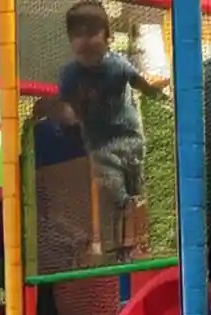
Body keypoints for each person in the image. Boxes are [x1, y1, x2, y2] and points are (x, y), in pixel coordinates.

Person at [36, 1, 168, 259]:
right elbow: (69, 109)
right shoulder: (70, 75)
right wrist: (52, 110)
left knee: (136, 189)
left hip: (130, 136)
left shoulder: (117, 65)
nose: (84, 40)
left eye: (91, 33)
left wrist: (155, 92)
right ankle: (120, 243)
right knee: (112, 187)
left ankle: (136, 244)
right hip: (99, 144)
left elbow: (137, 80)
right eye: (77, 35)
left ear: (108, 39)